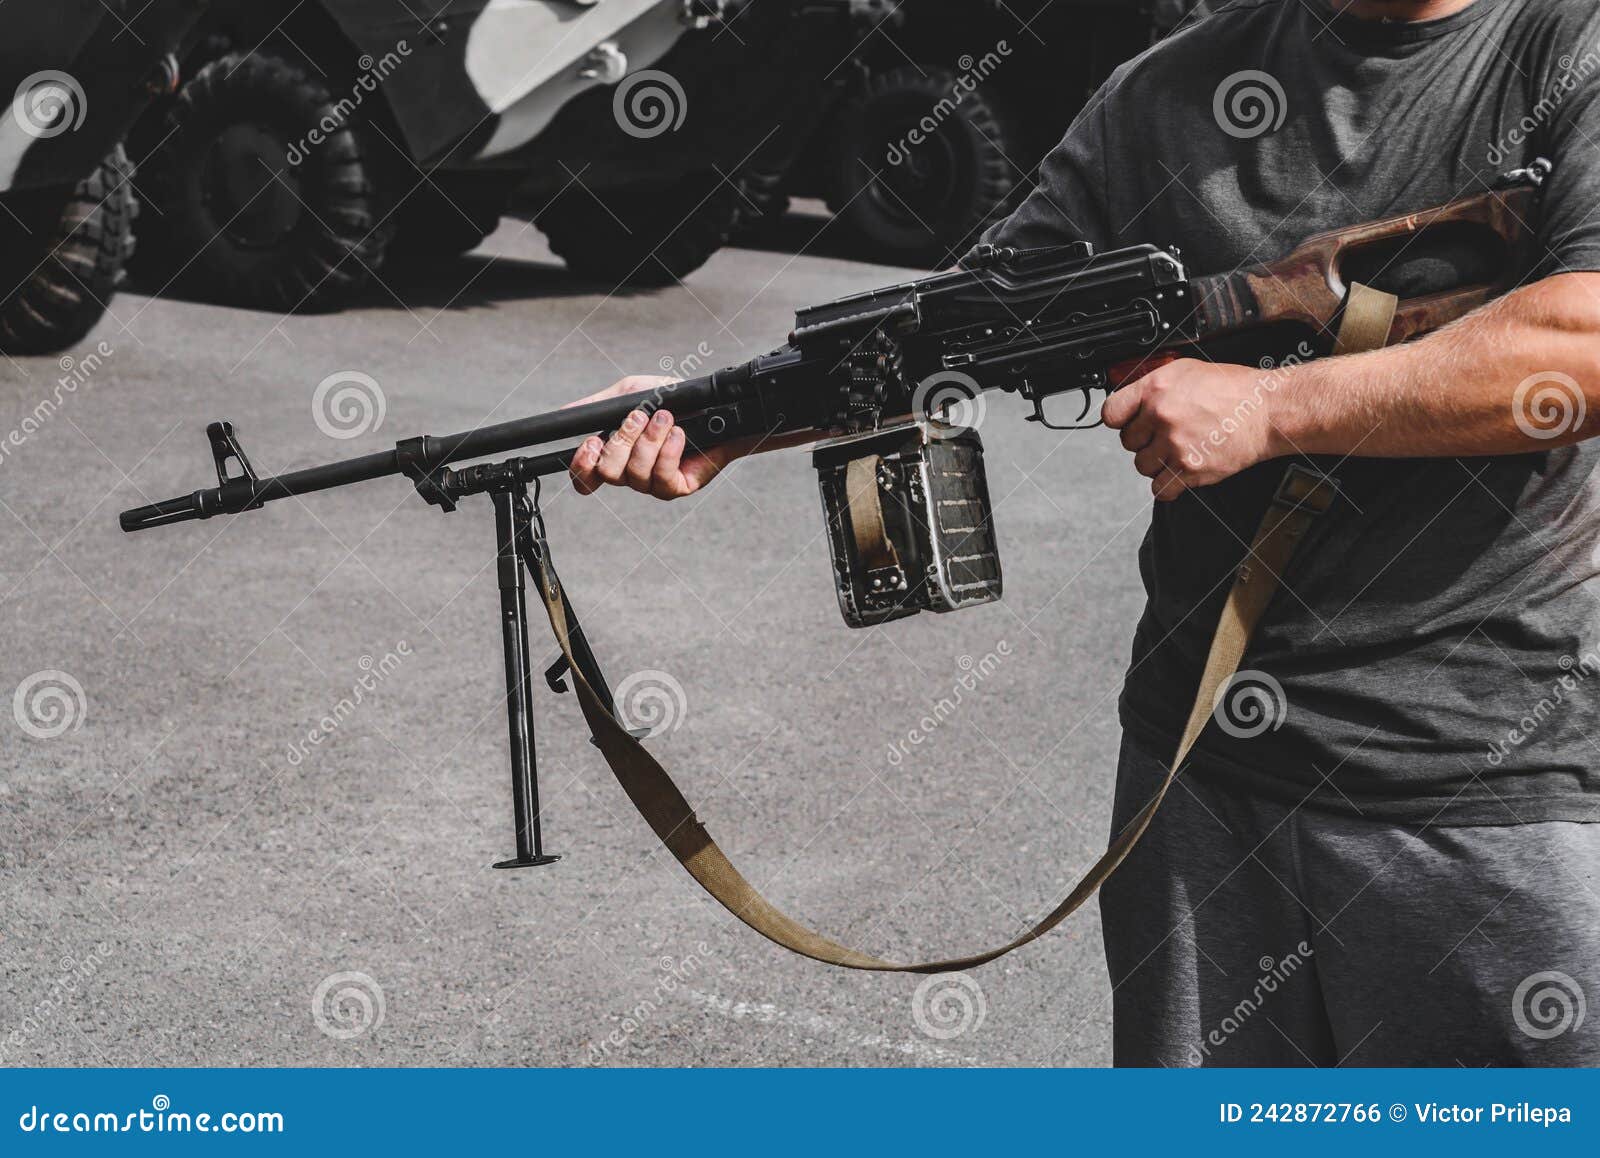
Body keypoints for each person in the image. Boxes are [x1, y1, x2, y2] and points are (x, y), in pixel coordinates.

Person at [566, 0, 1600, 1066]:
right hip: (1200, 769)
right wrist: (721, 410)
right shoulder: (1165, 91)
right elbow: (957, 323)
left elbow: (1585, 342)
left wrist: (1269, 411)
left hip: (1479, 780)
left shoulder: (1564, 52)